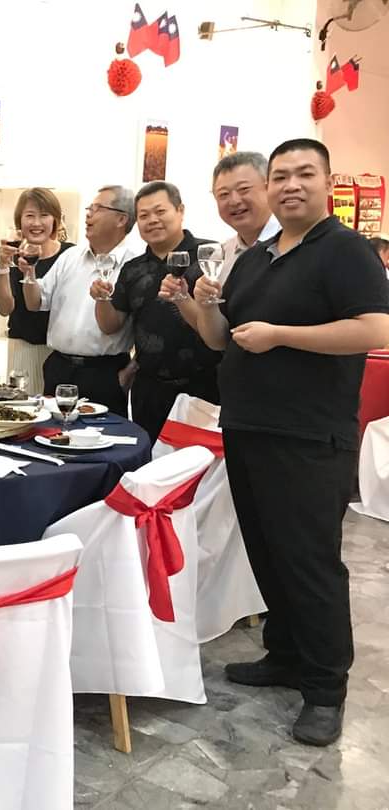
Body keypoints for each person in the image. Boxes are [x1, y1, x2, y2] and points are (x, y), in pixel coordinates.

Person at [182, 138, 389, 747]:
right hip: (247, 427)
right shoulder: (258, 256)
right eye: (281, 176)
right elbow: (221, 341)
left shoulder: (345, 250)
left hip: (308, 433)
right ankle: (286, 655)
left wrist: (282, 335)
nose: (291, 185)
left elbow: (375, 328)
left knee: (310, 562)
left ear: (328, 181)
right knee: (267, 553)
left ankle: (326, 687)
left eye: (305, 174)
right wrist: (204, 308)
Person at [92, 182, 219, 442]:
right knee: (150, 467)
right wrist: (101, 299)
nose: (152, 220)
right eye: (144, 215)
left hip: (205, 388)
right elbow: (111, 325)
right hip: (149, 390)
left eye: (160, 211)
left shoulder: (210, 257)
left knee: (200, 471)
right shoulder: (133, 268)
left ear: (180, 210)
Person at [22, 186, 137, 414]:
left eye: (97, 209)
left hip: (105, 373)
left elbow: (148, 329)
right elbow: (35, 303)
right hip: (59, 367)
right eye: (89, 208)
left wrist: (128, 374)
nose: (88, 214)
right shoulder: (71, 256)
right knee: (52, 438)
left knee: (103, 442)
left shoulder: (134, 265)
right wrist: (28, 274)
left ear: (121, 219)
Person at [0, 187, 74, 393]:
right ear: (20, 221)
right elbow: (4, 308)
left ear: (55, 220)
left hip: (60, 352)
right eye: (30, 216)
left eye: (44, 215)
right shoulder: (14, 255)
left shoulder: (70, 255)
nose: (37, 223)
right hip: (22, 348)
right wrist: (3, 266)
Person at [212, 152, 280, 286]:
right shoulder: (220, 256)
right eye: (223, 194)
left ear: (269, 188)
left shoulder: (296, 244)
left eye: (243, 189)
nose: (234, 201)